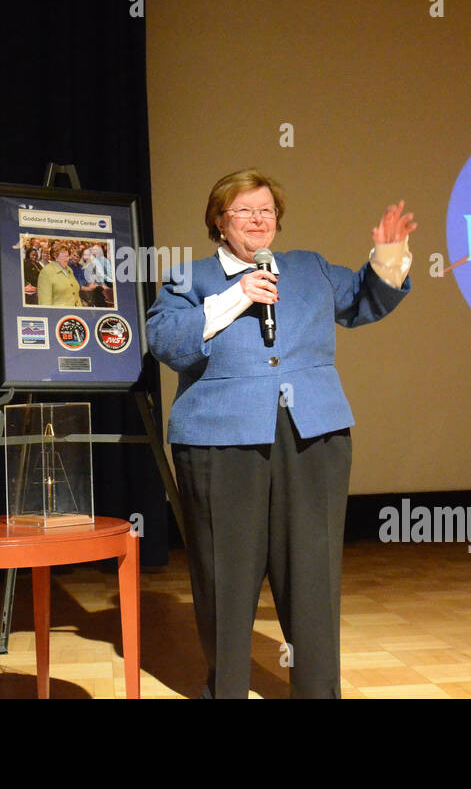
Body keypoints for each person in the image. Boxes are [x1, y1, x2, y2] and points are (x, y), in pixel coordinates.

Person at [146, 169, 415, 699]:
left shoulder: (308, 268)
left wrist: (389, 257)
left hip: (312, 435)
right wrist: (237, 296)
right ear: (219, 221)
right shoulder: (187, 276)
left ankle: (318, 692)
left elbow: (365, 300)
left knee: (311, 576)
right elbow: (167, 341)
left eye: (266, 210)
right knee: (226, 574)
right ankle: (226, 690)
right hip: (220, 440)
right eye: (244, 210)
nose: (258, 219)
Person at [36, 241, 83, 307]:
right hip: (58, 315)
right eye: (64, 256)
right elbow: (44, 303)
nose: (68, 258)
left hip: (75, 315)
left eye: (68, 256)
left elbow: (75, 295)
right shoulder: (46, 272)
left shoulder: (69, 270)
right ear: (56, 257)